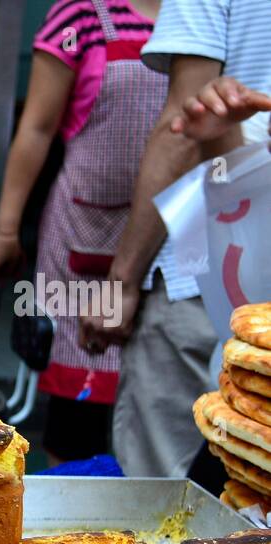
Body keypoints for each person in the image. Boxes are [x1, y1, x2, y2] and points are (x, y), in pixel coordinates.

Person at [80, 0, 271, 478]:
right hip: (228, 268)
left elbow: (185, 127)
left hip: (207, 278)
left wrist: (123, 280)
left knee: (160, 501)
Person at [0, 0, 162, 465]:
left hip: (171, 240)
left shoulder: (202, 14)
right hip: (87, 233)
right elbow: (37, 128)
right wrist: (5, 228)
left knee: (156, 400)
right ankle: (72, 530)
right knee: (81, 402)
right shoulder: (81, 14)